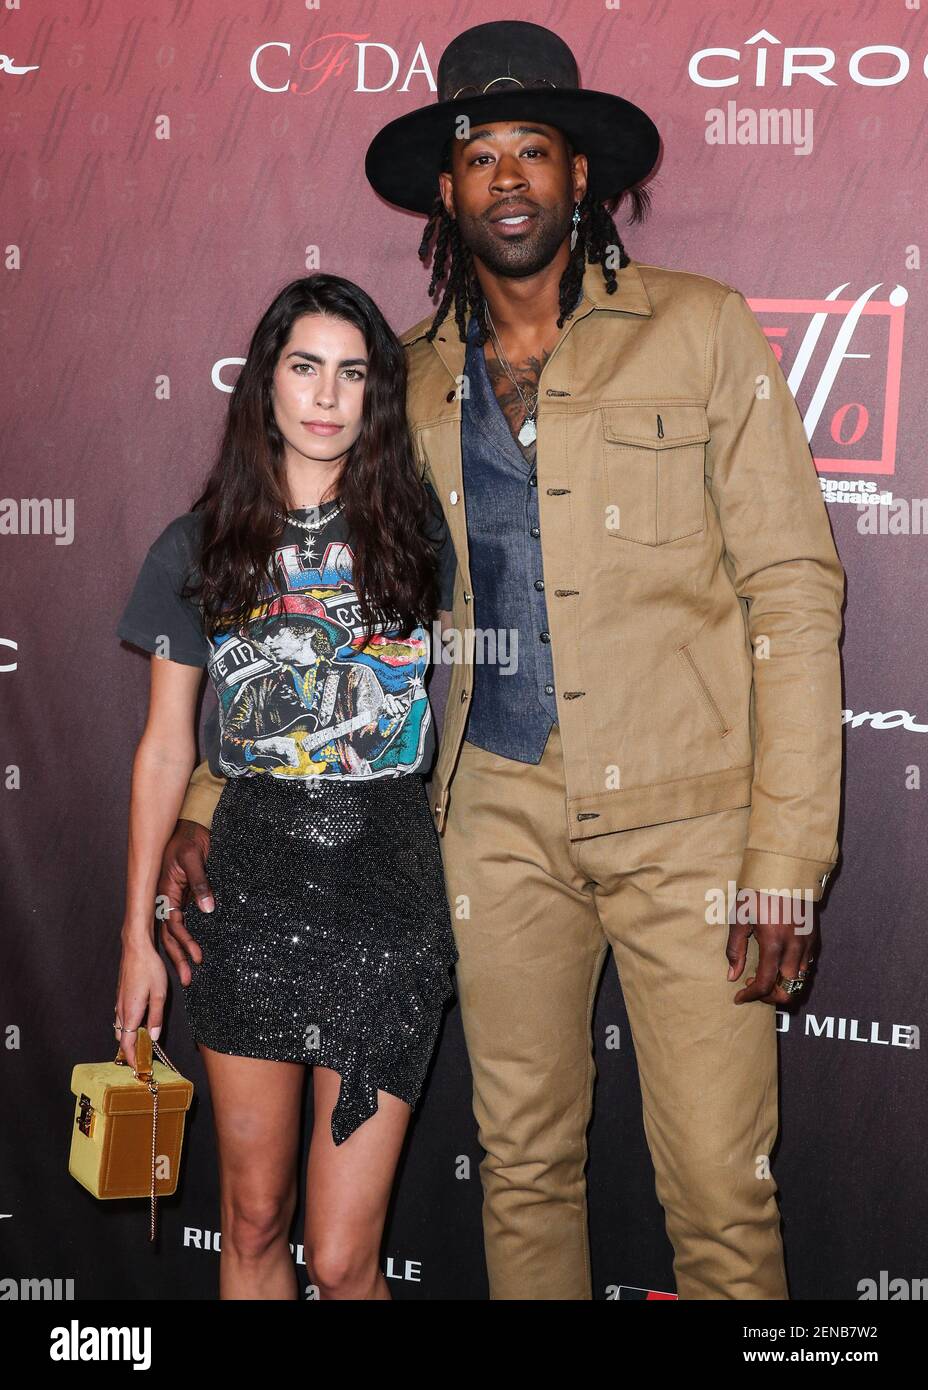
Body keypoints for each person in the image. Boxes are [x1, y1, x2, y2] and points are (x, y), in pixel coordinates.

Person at [160, 21, 846, 1300]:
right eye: (483, 157)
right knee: (523, 1169)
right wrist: (208, 798)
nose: (512, 178)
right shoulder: (404, 384)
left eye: (538, 151)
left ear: (581, 177)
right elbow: (314, 612)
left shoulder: (699, 330)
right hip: (488, 825)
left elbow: (793, 591)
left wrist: (786, 858)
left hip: (690, 826)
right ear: (447, 190)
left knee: (716, 1191)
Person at [114, 273, 459, 1300]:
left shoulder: (418, 533)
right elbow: (165, 750)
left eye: (352, 374)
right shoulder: (197, 544)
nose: (326, 395)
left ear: (376, 396)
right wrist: (137, 932)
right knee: (253, 1218)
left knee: (347, 1257)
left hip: (388, 894)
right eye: (305, 367)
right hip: (251, 892)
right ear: (264, 382)